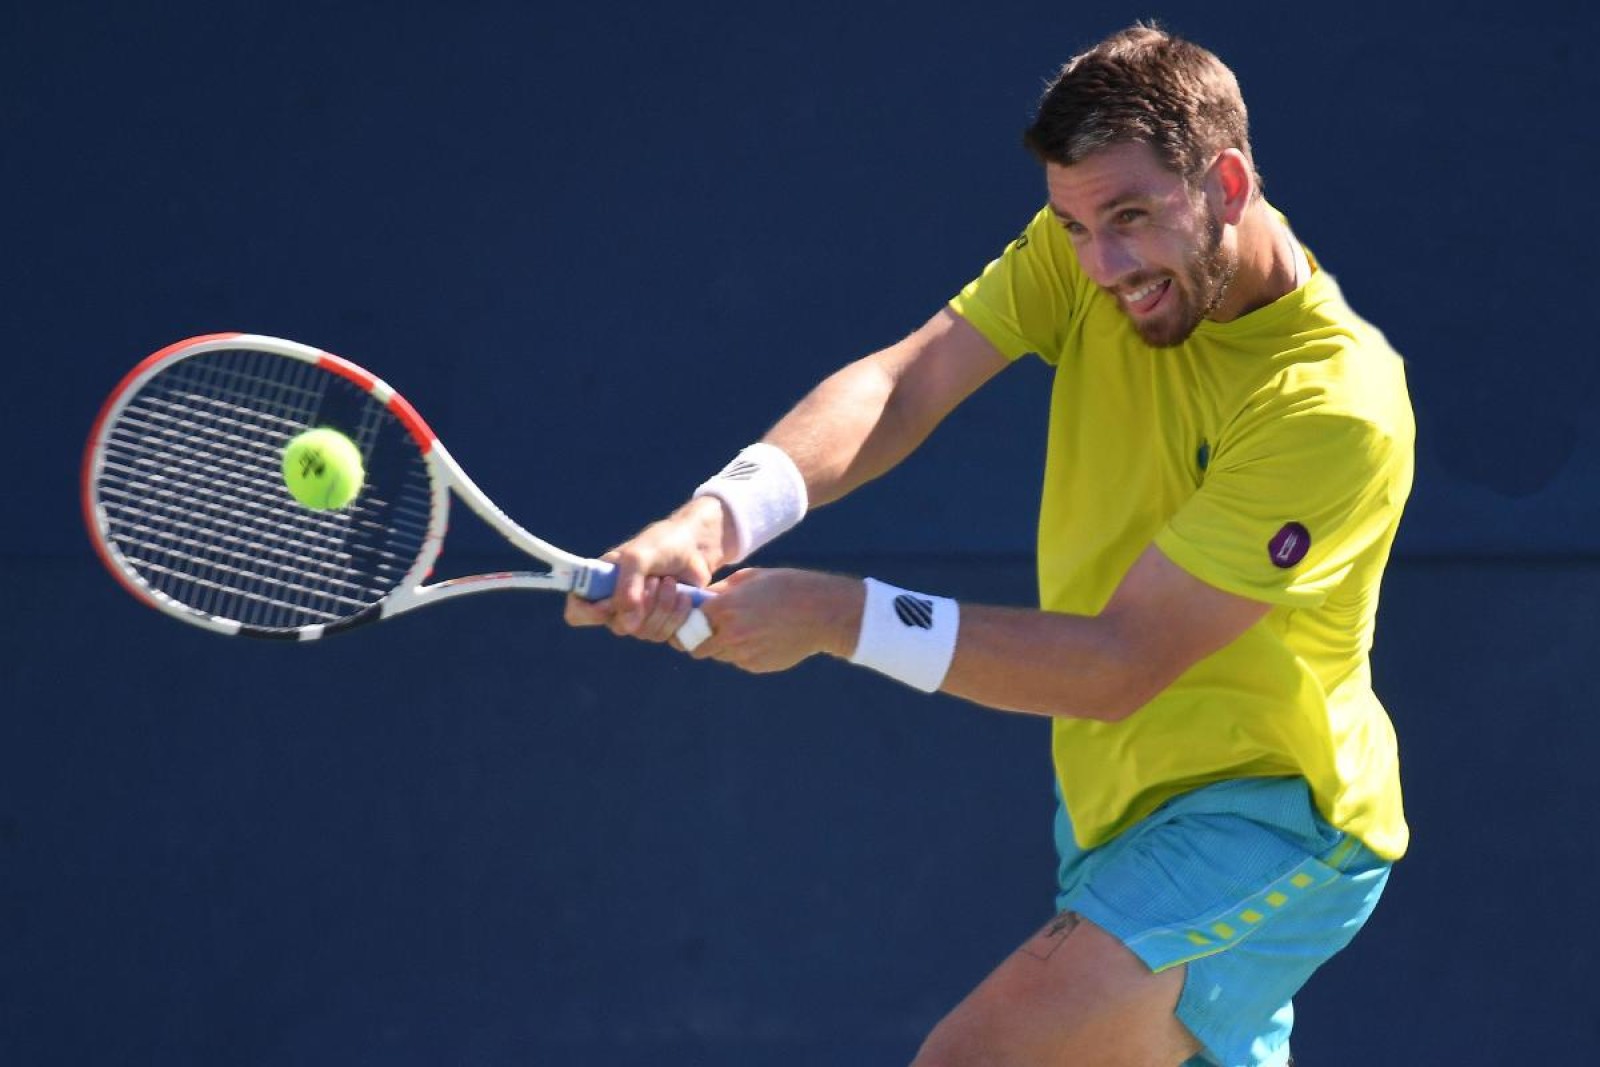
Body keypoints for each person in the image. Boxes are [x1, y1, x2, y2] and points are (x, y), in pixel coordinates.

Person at [566, 22, 1412, 1067]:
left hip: (1276, 819)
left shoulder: (1332, 407)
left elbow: (1115, 663)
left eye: (1130, 219)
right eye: (1072, 225)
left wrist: (835, 616)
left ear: (1227, 183)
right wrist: (713, 519)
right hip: (1113, 812)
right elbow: (905, 382)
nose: (1100, 263)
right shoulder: (1089, 256)